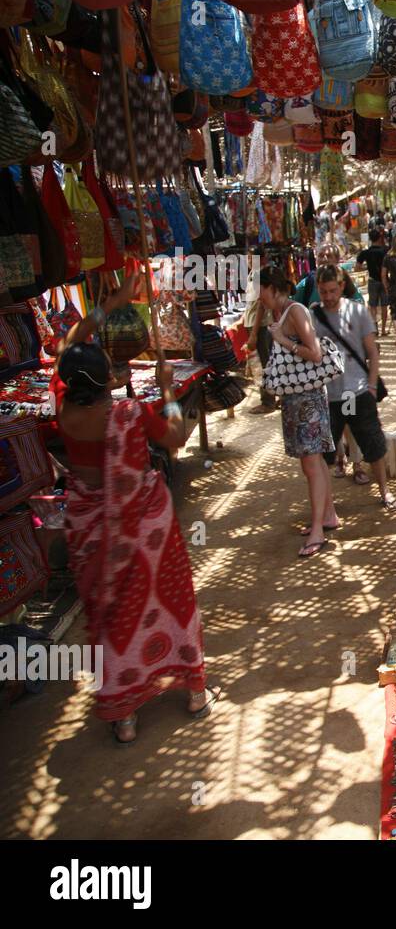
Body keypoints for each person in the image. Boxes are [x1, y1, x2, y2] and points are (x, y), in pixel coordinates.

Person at [56, 275, 210, 745]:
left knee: (113, 613)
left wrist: (112, 306)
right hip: (144, 528)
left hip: (90, 526)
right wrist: (166, 393)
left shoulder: (64, 413)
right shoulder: (127, 415)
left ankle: (124, 715)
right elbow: (177, 438)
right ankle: (194, 692)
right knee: (171, 599)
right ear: (107, 378)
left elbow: (71, 344)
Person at [260, 266, 338, 558]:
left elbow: (315, 353)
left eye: (260, 291)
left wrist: (284, 342)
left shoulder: (294, 311)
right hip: (297, 399)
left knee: (311, 464)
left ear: (271, 287)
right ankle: (327, 516)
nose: (259, 298)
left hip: (307, 399)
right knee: (313, 463)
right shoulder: (280, 313)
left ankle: (318, 529)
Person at [311, 265, 396, 511]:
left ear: (341, 286)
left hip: (357, 392)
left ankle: (384, 491)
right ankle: (326, 506)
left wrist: (371, 386)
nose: (327, 297)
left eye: (331, 290)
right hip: (330, 395)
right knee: (324, 453)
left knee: (373, 444)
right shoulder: (314, 316)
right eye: (322, 291)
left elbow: (372, 352)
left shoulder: (358, 312)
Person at [294, 244, 362, 307]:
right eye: (321, 256)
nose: (324, 259)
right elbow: (292, 304)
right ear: (316, 259)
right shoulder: (307, 283)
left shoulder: (345, 280)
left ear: (337, 260)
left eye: (329, 256)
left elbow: (359, 305)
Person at [356, 229, 389, 337]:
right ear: (379, 238)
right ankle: (383, 329)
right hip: (384, 281)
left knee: (373, 305)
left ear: (370, 238)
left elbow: (357, 267)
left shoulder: (365, 252)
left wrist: (367, 267)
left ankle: (375, 329)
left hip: (372, 280)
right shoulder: (386, 251)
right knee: (384, 305)